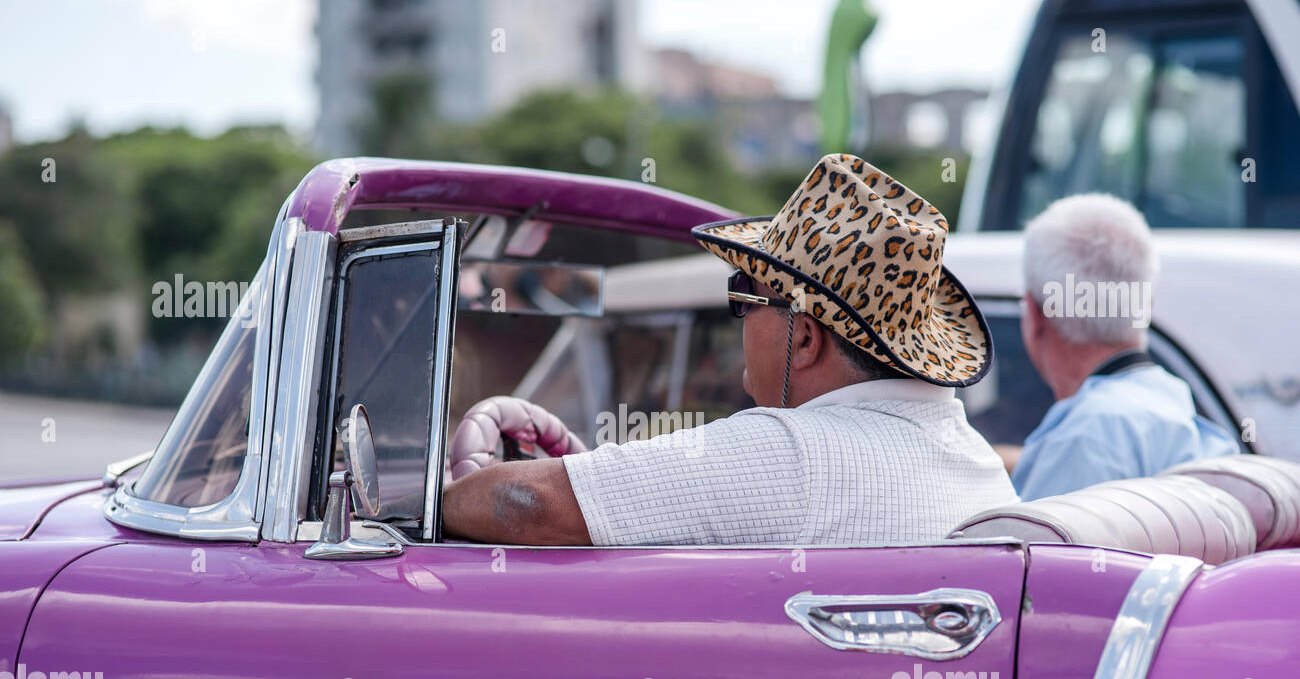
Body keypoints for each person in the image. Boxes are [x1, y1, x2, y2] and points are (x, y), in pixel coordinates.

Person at [442, 153, 1017, 545]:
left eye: (746, 298)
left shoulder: (792, 455)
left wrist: (452, 493)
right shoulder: (973, 457)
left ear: (807, 338)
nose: (739, 322)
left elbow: (524, 503)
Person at [1008, 194, 1239, 500]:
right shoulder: (1174, 409)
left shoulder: (1083, 440)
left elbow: (1030, 546)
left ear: (1035, 315)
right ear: (1146, 305)